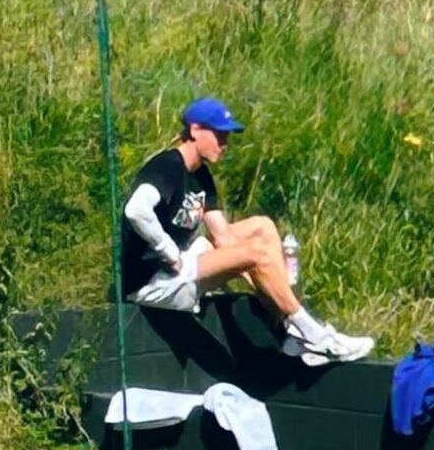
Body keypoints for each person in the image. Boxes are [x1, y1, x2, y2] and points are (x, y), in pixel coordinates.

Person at [121, 97, 374, 366]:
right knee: (256, 254)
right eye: (218, 135)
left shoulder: (201, 176)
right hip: (152, 281)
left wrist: (263, 277)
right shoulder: (167, 165)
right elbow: (136, 210)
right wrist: (167, 250)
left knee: (261, 228)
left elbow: (224, 238)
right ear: (194, 131)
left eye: (227, 136)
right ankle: (317, 337)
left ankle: (288, 321)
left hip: (179, 264)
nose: (225, 143)